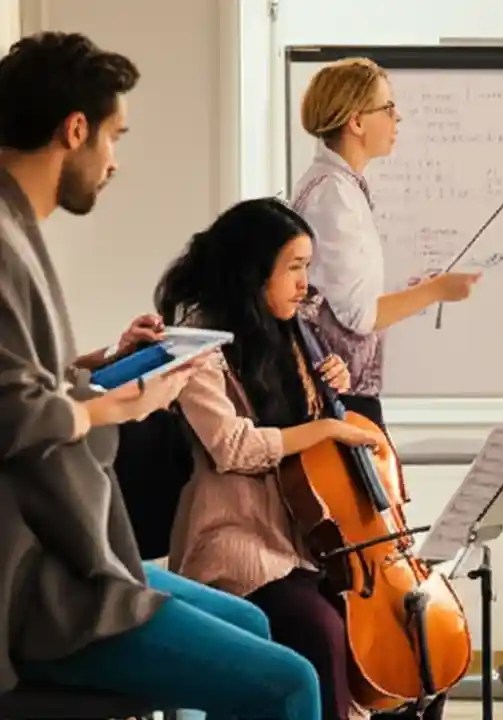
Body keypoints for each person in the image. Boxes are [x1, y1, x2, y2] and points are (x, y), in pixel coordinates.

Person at [0, 31, 322, 719]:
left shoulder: (16, 229)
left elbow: (21, 376)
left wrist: (98, 366)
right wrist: (118, 405)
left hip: (71, 549)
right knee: (293, 683)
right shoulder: (3, 242)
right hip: (43, 578)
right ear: (75, 129)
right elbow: (13, 414)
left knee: (257, 628)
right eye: (114, 137)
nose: (114, 161)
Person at [155, 197, 434, 720]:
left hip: (308, 545)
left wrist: (332, 393)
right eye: (295, 268)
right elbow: (233, 446)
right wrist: (324, 424)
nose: (306, 284)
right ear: (252, 271)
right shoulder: (195, 346)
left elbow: (313, 458)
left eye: (307, 267)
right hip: (237, 543)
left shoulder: (290, 334)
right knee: (322, 629)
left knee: (412, 633)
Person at [290, 56, 479, 429]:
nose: (398, 119)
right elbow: (360, 318)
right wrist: (437, 290)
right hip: (340, 400)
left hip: (343, 394)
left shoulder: (340, 187)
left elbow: (345, 301)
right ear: (356, 121)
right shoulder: (334, 197)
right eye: (388, 108)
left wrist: (423, 289)